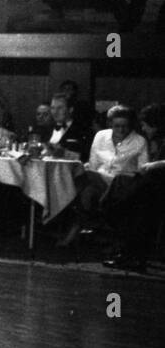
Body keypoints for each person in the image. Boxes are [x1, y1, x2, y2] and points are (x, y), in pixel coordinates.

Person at [60, 105, 149, 247]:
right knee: (87, 189)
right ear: (110, 124)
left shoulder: (139, 141)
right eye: (117, 126)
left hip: (121, 184)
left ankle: (74, 226)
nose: (121, 130)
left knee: (85, 178)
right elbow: (94, 163)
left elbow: (142, 170)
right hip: (97, 179)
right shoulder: (101, 136)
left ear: (131, 125)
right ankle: (82, 225)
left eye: (125, 126)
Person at [103, 103, 164, 271]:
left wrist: (153, 165)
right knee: (125, 187)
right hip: (155, 186)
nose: (144, 129)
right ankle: (130, 253)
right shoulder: (157, 141)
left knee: (131, 198)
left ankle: (129, 253)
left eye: (146, 125)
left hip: (159, 188)